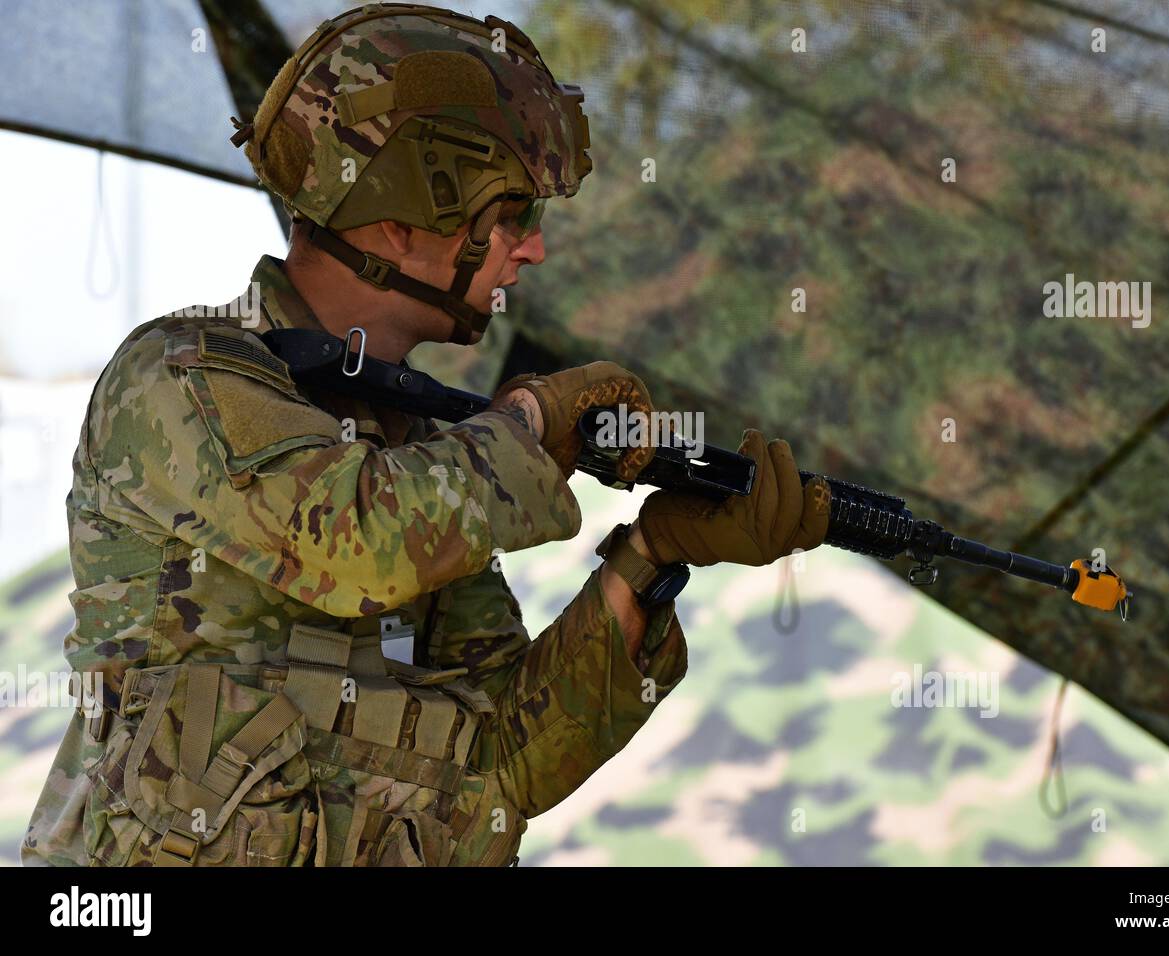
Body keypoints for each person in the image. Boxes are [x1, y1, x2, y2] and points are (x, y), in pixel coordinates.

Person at [22, 4, 829, 867]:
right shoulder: (179, 378)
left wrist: (654, 558)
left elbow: (509, 759)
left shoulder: (413, 444)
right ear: (400, 215)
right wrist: (528, 425)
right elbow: (353, 546)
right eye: (509, 212)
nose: (532, 250)